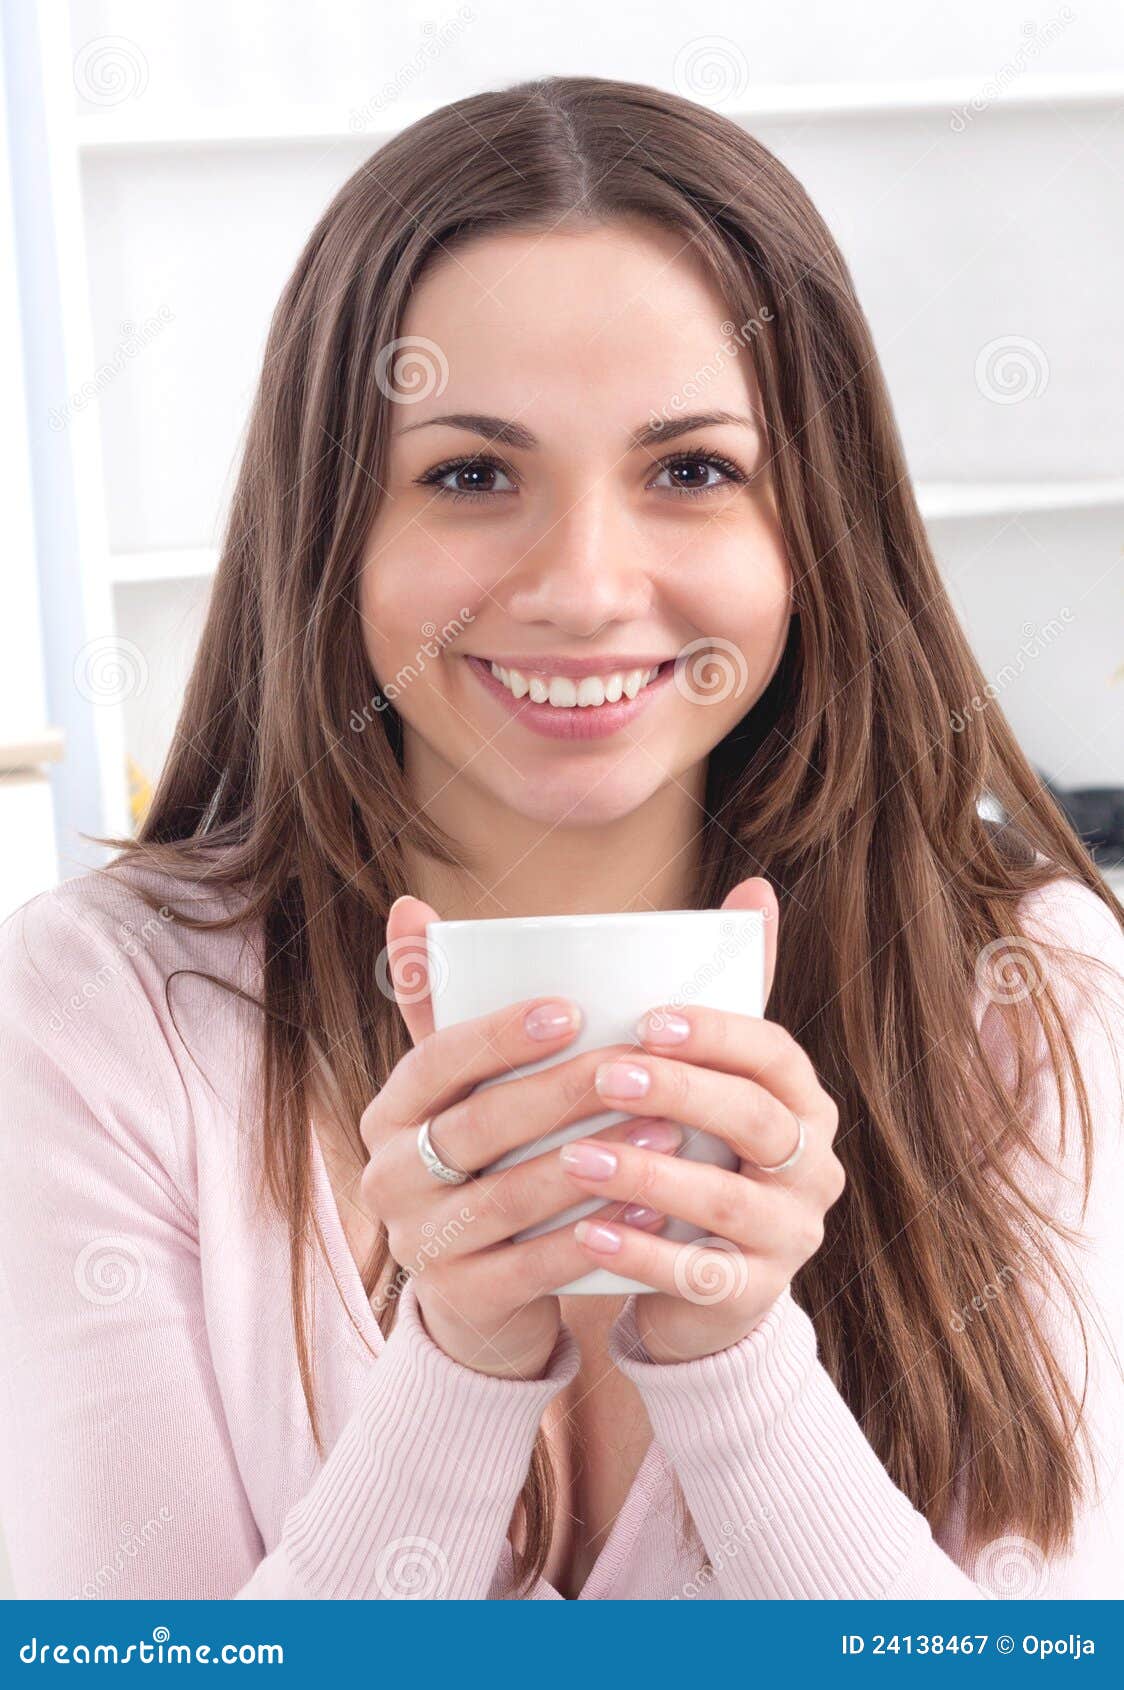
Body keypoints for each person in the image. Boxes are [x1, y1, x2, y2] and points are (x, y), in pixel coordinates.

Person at [1, 74, 1121, 1603]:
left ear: (813, 528)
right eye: (471, 474)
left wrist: (734, 1362)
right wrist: (458, 1367)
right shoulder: (99, 1010)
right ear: (332, 527)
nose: (586, 586)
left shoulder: (1033, 992)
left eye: (691, 471)